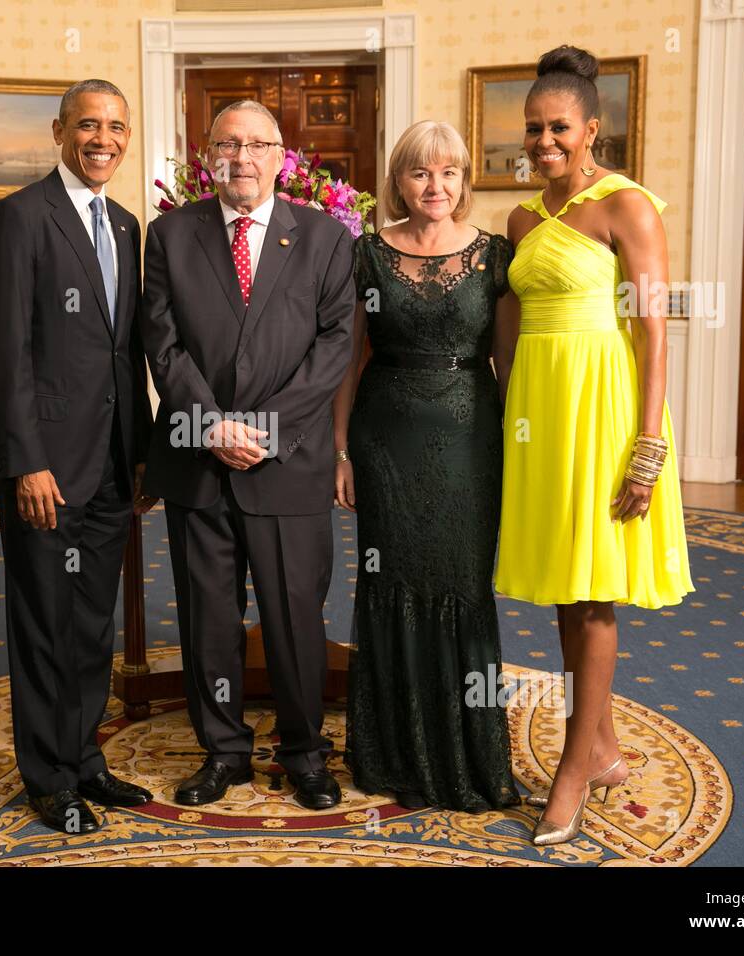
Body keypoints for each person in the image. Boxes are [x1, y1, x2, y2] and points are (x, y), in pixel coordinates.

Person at [495, 46, 695, 845]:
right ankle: (604, 746)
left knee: (596, 589)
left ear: (592, 128)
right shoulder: (520, 218)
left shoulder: (628, 206)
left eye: (559, 128)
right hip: (541, 412)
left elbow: (653, 330)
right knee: (562, 583)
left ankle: (573, 768)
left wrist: (648, 444)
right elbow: (508, 334)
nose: (545, 141)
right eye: (535, 129)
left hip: (605, 409)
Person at [139, 100, 356, 810]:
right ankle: (224, 752)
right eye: (227, 144)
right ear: (208, 154)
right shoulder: (170, 234)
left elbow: (334, 349)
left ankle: (303, 753)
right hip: (199, 464)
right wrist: (211, 426)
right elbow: (162, 342)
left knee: (296, 616)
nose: (242, 157)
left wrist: (258, 429)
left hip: (287, 460)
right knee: (208, 617)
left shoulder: (324, 238)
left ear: (281, 155)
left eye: (257, 144)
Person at [0, 79, 158, 834]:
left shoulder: (124, 224)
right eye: (88, 124)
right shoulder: (17, 218)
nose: (103, 139)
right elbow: (3, 350)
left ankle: (84, 760)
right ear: (59, 132)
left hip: (113, 464)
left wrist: (142, 454)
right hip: (46, 468)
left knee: (92, 624)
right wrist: (26, 461)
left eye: (116, 126)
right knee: (46, 623)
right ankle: (47, 779)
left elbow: (128, 352)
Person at [332, 120, 522, 812]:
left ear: (464, 181)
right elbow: (352, 359)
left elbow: (506, 366)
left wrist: (519, 452)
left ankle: (466, 754)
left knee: (462, 590)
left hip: (471, 443)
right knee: (390, 586)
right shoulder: (367, 255)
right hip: (385, 441)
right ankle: (390, 751)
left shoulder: (495, 256)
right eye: (419, 172)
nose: (434, 186)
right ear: (398, 182)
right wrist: (341, 451)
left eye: (448, 172)